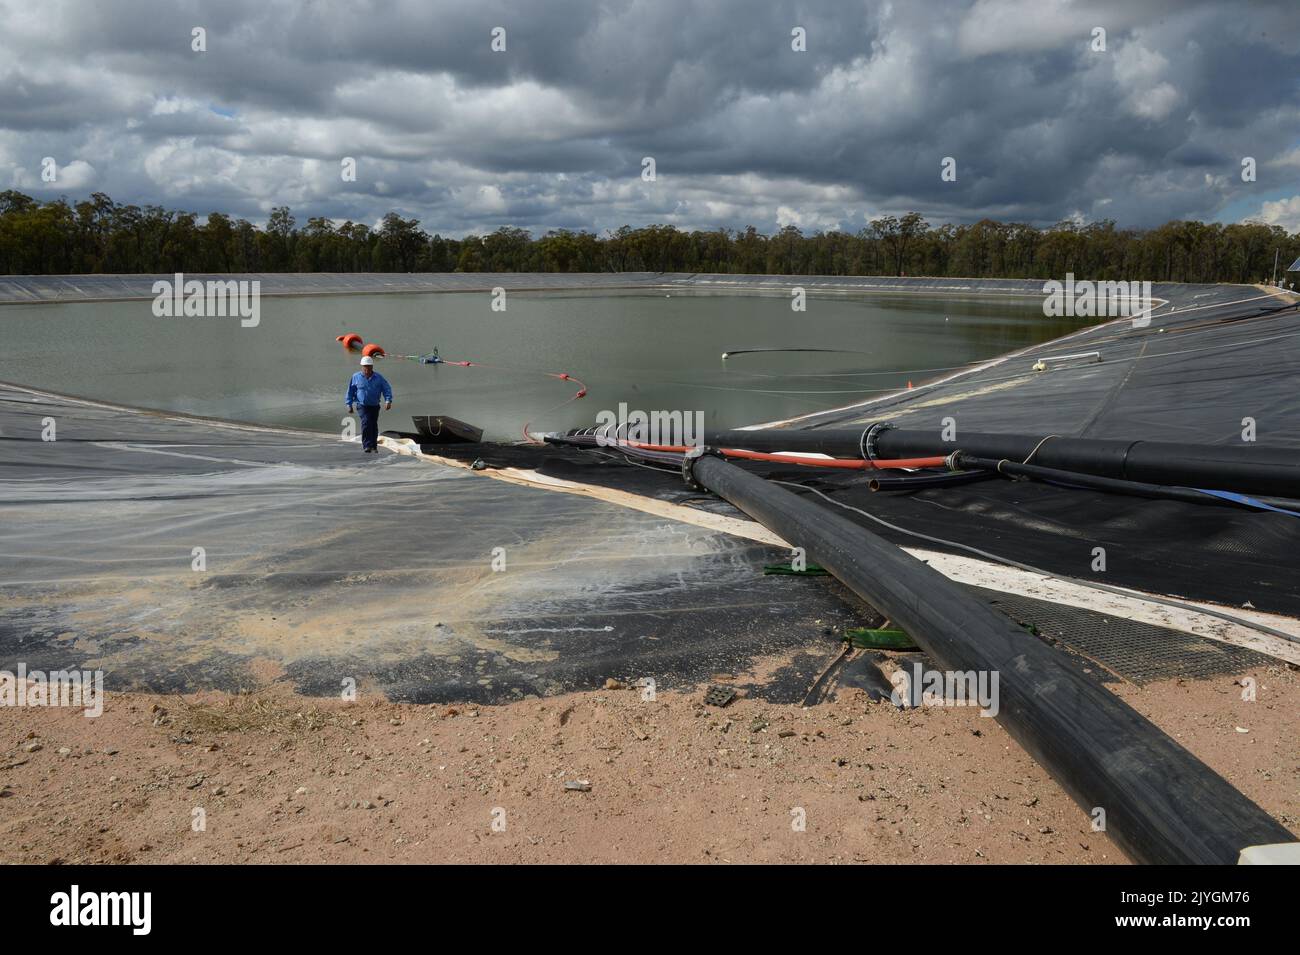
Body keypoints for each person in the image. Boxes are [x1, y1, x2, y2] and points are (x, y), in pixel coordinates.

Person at [346, 356, 393, 453]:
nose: (366, 368)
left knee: (373, 425)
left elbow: (386, 389)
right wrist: (349, 404)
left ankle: (373, 446)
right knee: (366, 422)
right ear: (362, 367)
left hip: (375, 405)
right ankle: (367, 445)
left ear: (372, 367)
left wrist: (388, 401)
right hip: (362, 405)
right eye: (364, 366)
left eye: (368, 366)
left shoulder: (378, 378)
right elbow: (350, 391)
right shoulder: (356, 377)